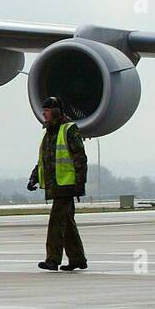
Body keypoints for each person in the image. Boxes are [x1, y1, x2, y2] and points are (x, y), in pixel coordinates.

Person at [27, 96, 88, 271]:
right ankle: (77, 259)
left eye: (46, 111)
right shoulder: (49, 133)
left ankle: (53, 259)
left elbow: (80, 158)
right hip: (57, 185)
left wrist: (79, 183)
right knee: (67, 223)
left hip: (66, 186)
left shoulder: (69, 130)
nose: (43, 115)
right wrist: (34, 177)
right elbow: (44, 160)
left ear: (54, 111)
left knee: (56, 222)